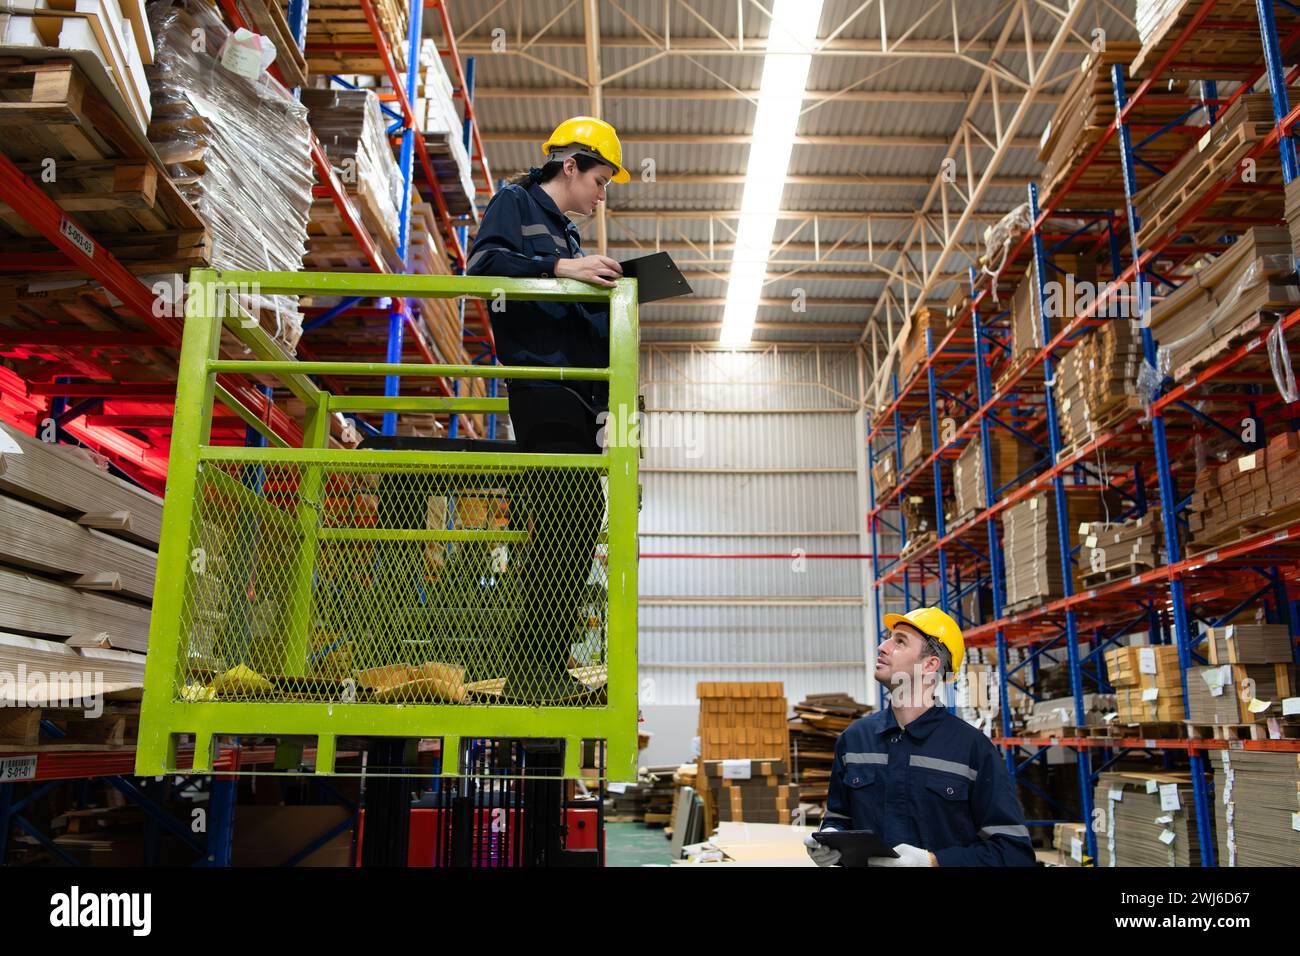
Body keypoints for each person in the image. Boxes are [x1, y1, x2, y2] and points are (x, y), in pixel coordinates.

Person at [465, 116, 631, 703]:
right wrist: (562, 270)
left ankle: (539, 665)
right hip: (542, 389)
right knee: (566, 524)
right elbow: (483, 268)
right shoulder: (515, 203)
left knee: (573, 527)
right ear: (570, 166)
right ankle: (532, 668)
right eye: (601, 180)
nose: (602, 194)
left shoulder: (569, 236)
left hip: (579, 395)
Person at [805, 607, 1035, 867]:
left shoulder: (972, 750)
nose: (882, 647)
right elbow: (839, 818)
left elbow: (1013, 853)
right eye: (888, 638)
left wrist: (934, 862)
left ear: (930, 664)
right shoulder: (854, 741)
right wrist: (831, 839)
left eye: (900, 641)